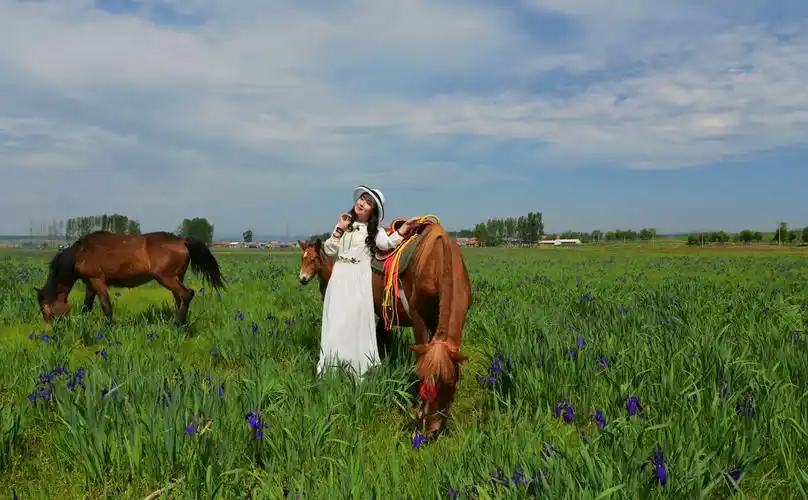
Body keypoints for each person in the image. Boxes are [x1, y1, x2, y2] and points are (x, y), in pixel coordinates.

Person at [317, 185, 422, 379]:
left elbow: (388, 243)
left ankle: (356, 370)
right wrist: (339, 229)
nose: (362, 203)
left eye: (368, 202)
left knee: (355, 323)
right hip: (340, 276)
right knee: (335, 322)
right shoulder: (343, 224)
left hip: (359, 278)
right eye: (362, 199)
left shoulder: (375, 231)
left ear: (373, 211)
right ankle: (332, 369)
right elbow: (330, 250)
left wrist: (406, 228)